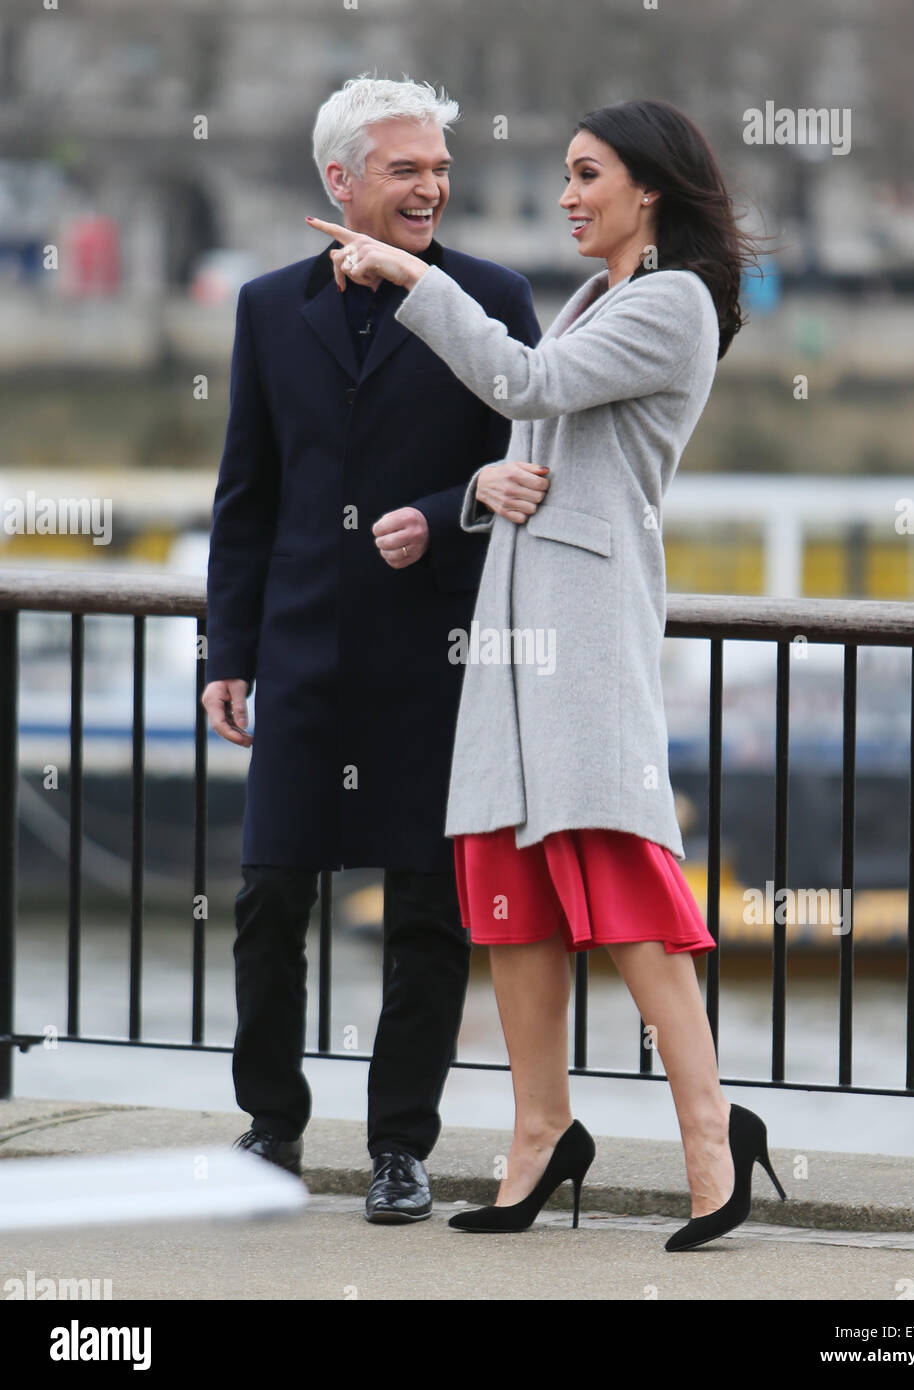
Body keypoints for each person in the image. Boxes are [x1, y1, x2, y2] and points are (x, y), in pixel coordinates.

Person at [308, 97, 789, 1252]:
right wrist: (485, 493)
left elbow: (523, 386)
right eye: (566, 176)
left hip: (583, 628)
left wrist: (413, 281)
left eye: (586, 175)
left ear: (651, 189)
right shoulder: (601, 296)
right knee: (509, 883)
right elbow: (533, 437)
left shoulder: (671, 303)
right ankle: (539, 1134)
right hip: (520, 617)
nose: (567, 196)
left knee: (620, 885)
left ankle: (713, 1143)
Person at [204, 76, 540, 1224]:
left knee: (428, 911)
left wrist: (441, 514)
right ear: (340, 182)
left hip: (437, 654)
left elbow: (533, 475)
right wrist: (226, 649)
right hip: (298, 655)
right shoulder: (263, 307)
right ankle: (270, 1129)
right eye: (407, 169)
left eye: (440, 168)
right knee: (267, 896)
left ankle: (401, 1147)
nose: (432, 186)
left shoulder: (489, 300)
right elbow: (246, 497)